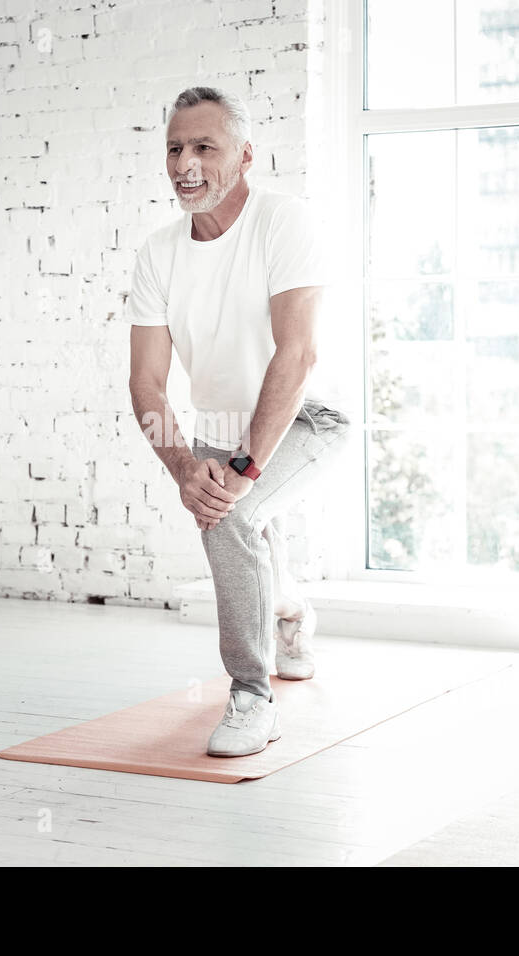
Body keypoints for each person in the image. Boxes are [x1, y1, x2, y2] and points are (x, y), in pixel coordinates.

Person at [127, 87, 351, 757]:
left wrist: (241, 472)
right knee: (236, 518)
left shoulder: (283, 222)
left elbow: (298, 352)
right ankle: (290, 613)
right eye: (174, 148)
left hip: (308, 417)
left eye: (205, 147)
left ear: (246, 156)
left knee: (233, 515)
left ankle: (252, 694)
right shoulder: (158, 254)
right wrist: (184, 468)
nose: (185, 164)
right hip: (217, 428)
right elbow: (145, 380)